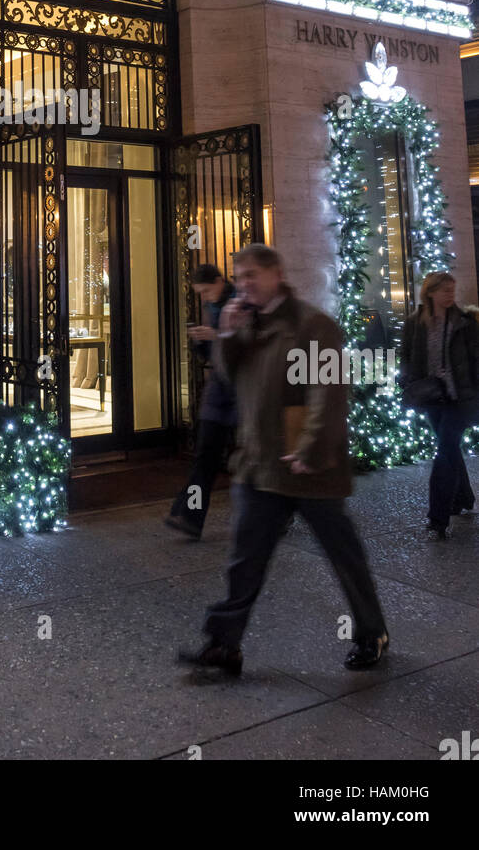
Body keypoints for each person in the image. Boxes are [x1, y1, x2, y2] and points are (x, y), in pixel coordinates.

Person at [178, 244, 388, 676]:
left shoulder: (312, 325)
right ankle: (224, 644)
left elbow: (329, 393)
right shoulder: (249, 323)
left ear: (277, 274)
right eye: (240, 276)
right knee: (245, 558)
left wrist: (311, 449)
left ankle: (371, 632)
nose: (245, 283)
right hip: (260, 463)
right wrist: (229, 337)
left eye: (253, 274)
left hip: (308, 467)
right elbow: (232, 380)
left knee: (342, 554)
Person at [400, 271, 479, 540]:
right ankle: (464, 497)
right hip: (432, 396)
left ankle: (438, 518)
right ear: (430, 292)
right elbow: (407, 357)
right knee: (450, 448)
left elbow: (476, 360)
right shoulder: (415, 323)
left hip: (459, 398)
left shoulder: (465, 323)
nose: (450, 295)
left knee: (444, 451)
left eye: (452, 290)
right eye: (445, 290)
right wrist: (409, 383)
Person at [166, 265, 235, 539]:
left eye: (206, 291)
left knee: (255, 460)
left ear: (219, 281)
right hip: (219, 394)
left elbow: (250, 344)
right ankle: (190, 516)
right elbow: (211, 354)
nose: (204, 298)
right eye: (200, 294)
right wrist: (200, 342)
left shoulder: (239, 303)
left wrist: (215, 337)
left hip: (242, 394)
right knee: (205, 456)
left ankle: (281, 514)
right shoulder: (212, 307)